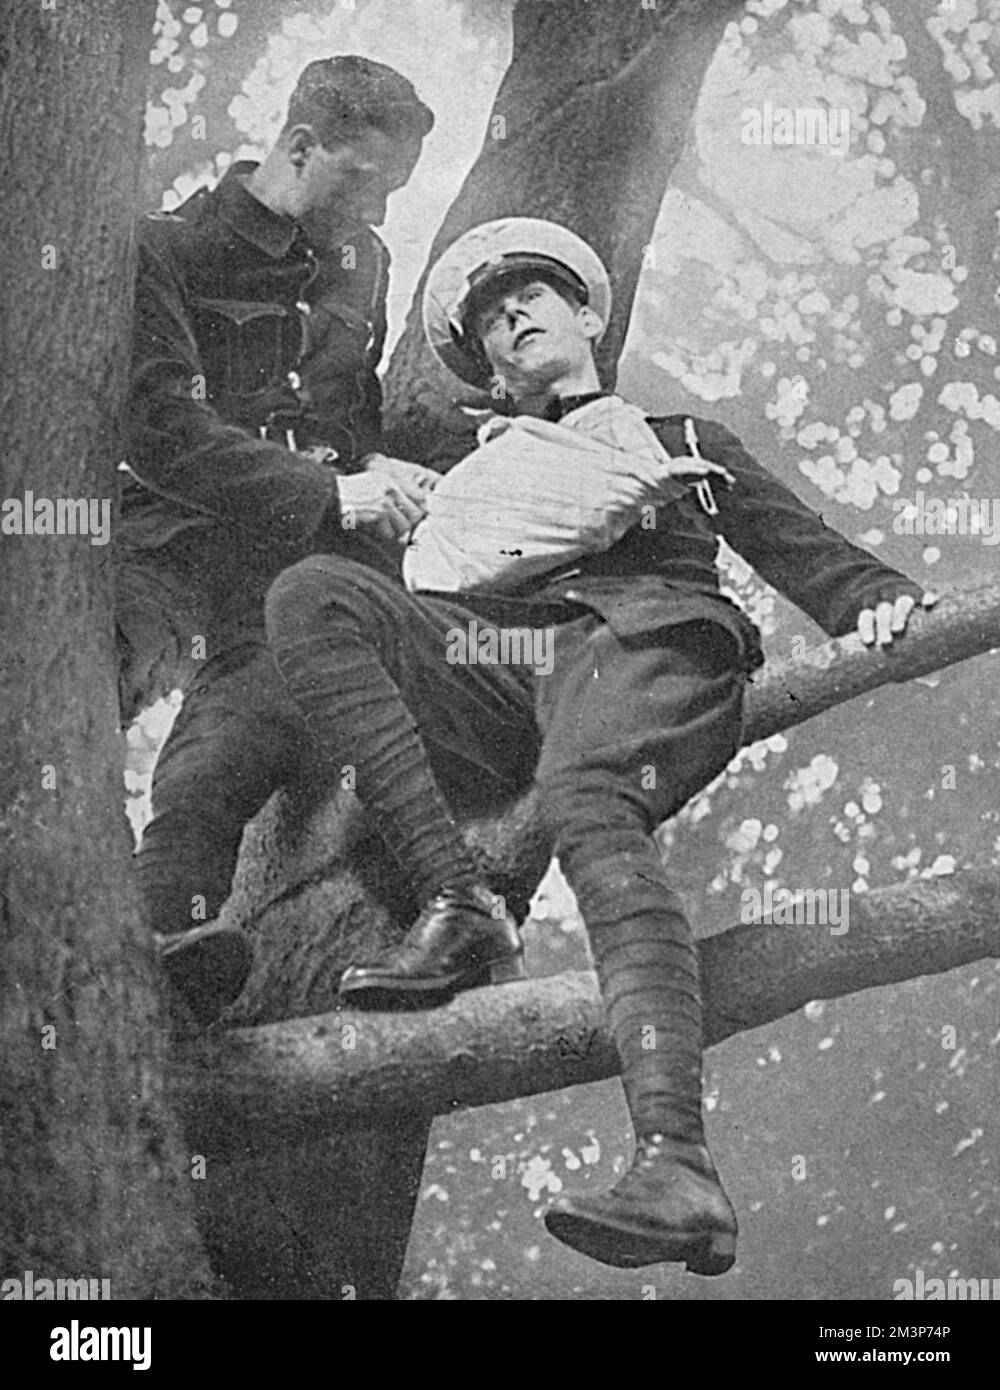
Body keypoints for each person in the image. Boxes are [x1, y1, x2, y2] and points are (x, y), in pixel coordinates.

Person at [262, 218, 934, 1272]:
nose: (511, 316)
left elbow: (806, 550)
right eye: (488, 317)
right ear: (484, 363)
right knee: (315, 594)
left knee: (586, 796)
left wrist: (878, 598)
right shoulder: (481, 481)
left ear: (584, 314)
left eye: (530, 294)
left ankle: (677, 1164)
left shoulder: (680, 442)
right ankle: (458, 901)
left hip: (645, 641)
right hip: (511, 656)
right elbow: (442, 589)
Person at [118, 56, 436, 1024]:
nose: (374, 212)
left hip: (287, 567)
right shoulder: (162, 249)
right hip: (166, 538)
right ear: (299, 146)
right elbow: (160, 426)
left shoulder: (363, 264)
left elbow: (352, 416)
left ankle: (166, 937)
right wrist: (334, 492)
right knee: (88, 671)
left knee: (233, 744)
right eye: (363, 180)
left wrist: (391, 485)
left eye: (393, 192)